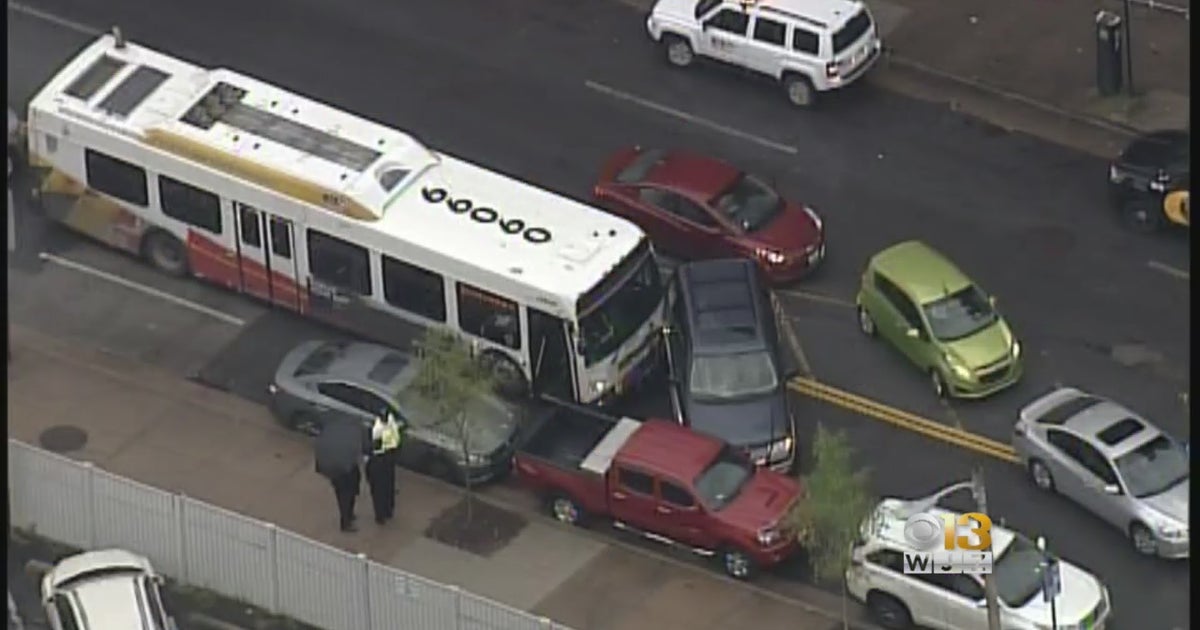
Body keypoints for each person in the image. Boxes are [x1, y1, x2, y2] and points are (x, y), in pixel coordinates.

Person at [365, 410, 403, 524]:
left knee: (380, 492)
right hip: (385, 465)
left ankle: (382, 514)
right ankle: (386, 512)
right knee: (386, 490)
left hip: (379, 466)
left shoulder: (375, 432)